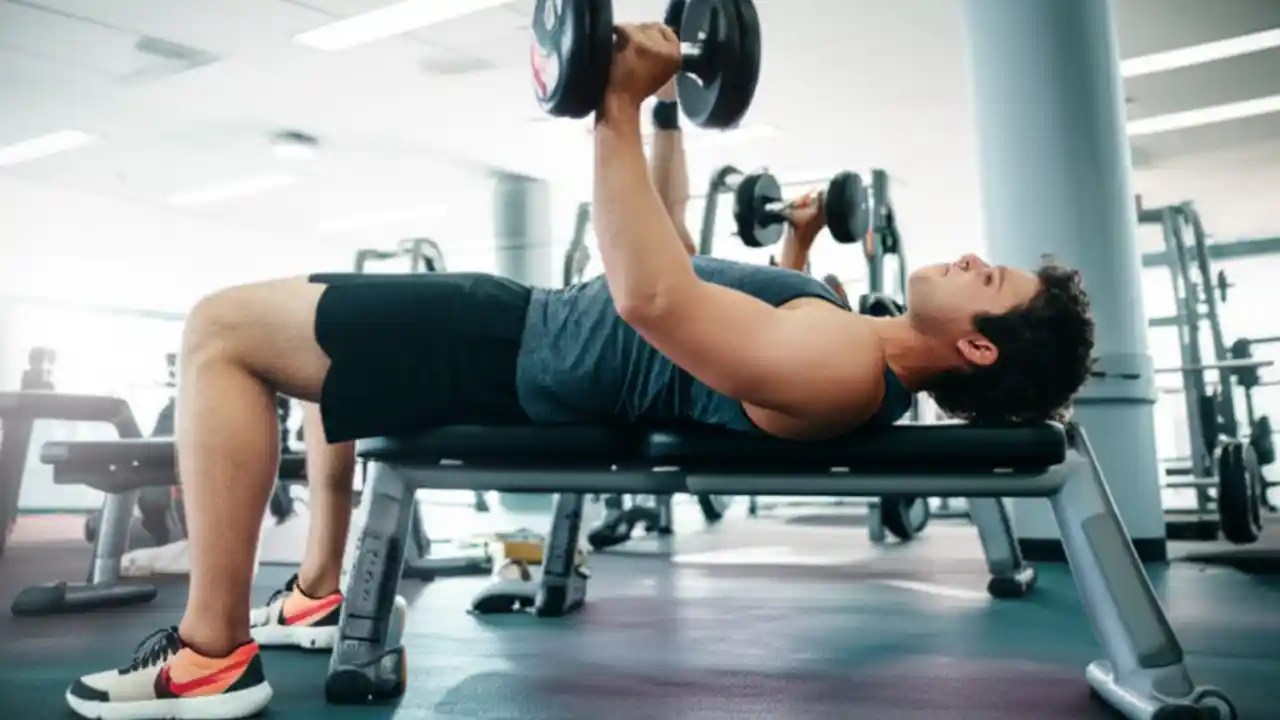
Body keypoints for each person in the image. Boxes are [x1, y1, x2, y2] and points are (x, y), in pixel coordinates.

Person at [65, 22, 1095, 720]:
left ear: (975, 347)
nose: (966, 256)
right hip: (516, 330)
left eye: (985, 278)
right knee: (287, 357)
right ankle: (318, 591)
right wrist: (668, 124)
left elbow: (650, 296)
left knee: (219, 330)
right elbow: (681, 257)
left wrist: (606, 100)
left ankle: (207, 657)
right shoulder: (838, 336)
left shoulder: (832, 364)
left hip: (509, 353)